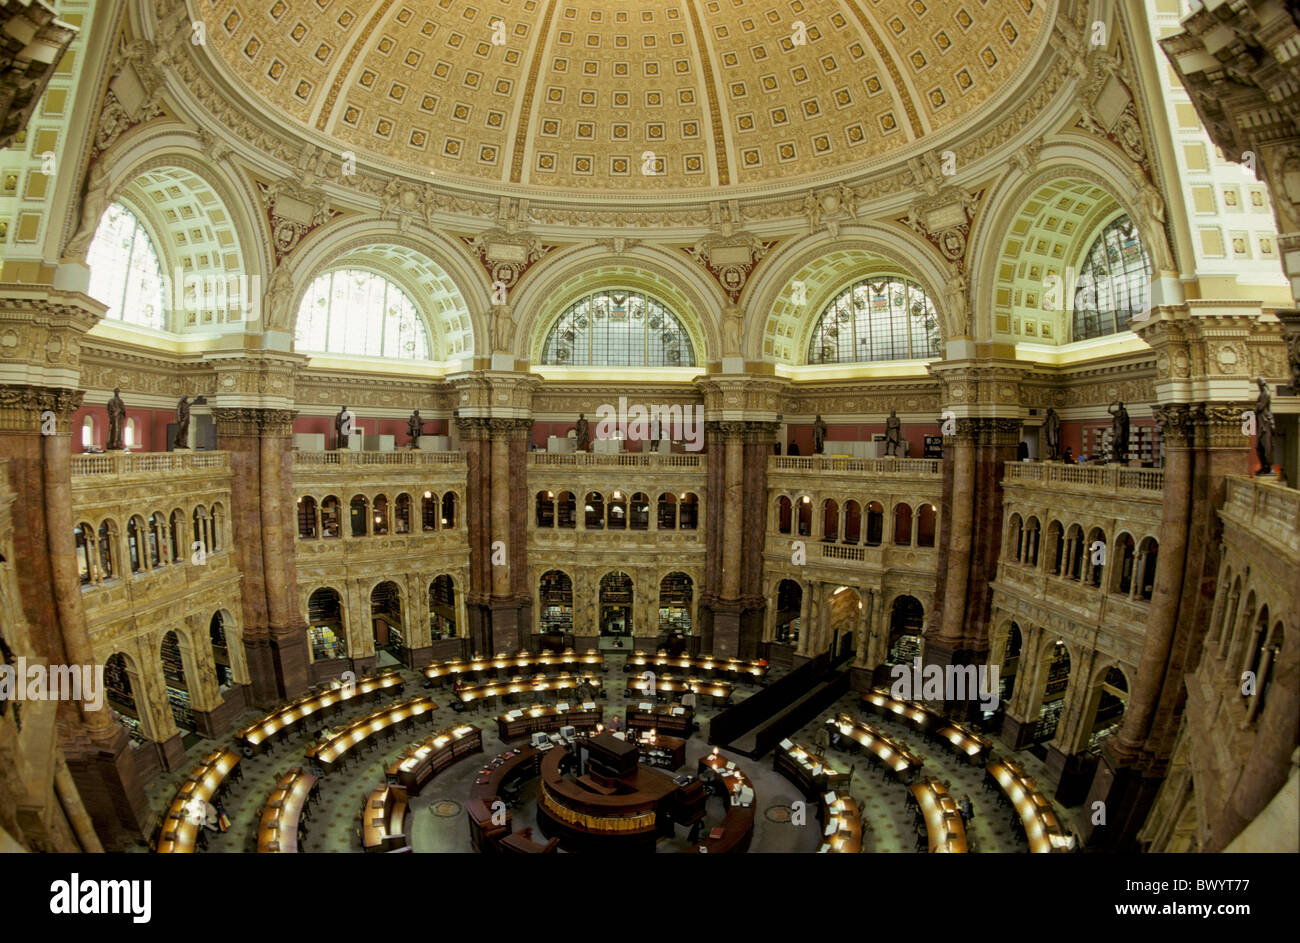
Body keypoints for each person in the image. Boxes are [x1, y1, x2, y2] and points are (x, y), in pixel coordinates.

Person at [1254, 377, 1274, 475]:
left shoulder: (1266, 393)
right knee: (1259, 446)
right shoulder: (1262, 394)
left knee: (1266, 446)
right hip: (1261, 422)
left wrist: (1257, 406)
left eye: (1259, 384)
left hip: (1265, 422)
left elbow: (1260, 407)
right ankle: (1264, 466)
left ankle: (1267, 467)